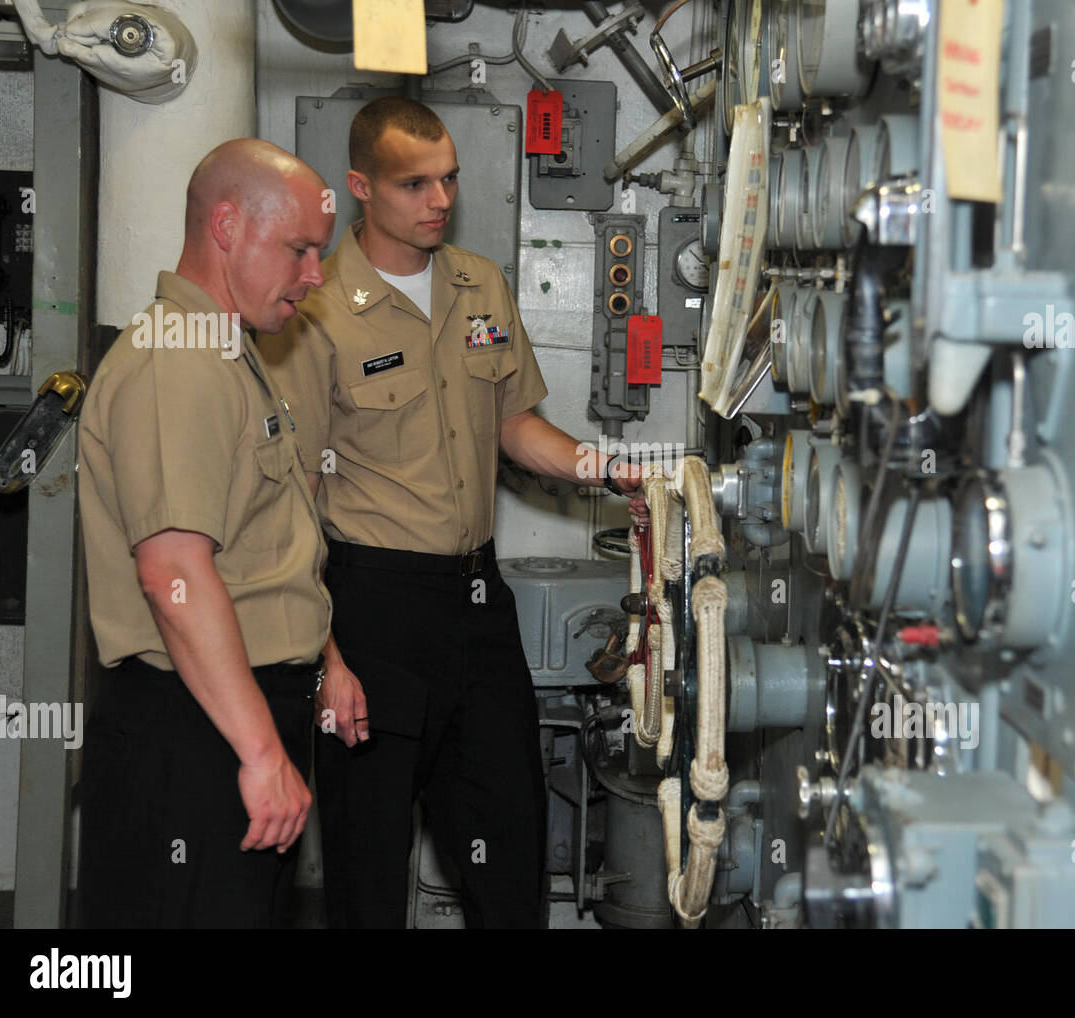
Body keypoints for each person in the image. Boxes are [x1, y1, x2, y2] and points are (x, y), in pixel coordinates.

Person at [260, 97, 647, 928]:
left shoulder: (481, 285)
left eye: (449, 180)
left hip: (477, 603)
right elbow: (293, 497)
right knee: (368, 867)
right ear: (361, 187)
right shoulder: (318, 309)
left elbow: (513, 425)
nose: (440, 200)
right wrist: (326, 658)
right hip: (371, 608)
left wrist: (614, 471)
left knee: (508, 846)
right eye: (415, 184)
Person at [76, 139, 335, 928]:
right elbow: (174, 575)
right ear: (227, 227)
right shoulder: (178, 364)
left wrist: (323, 663)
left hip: (230, 710)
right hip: (195, 728)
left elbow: (260, 549)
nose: (316, 275)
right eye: (299, 249)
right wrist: (259, 752)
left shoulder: (227, 353)